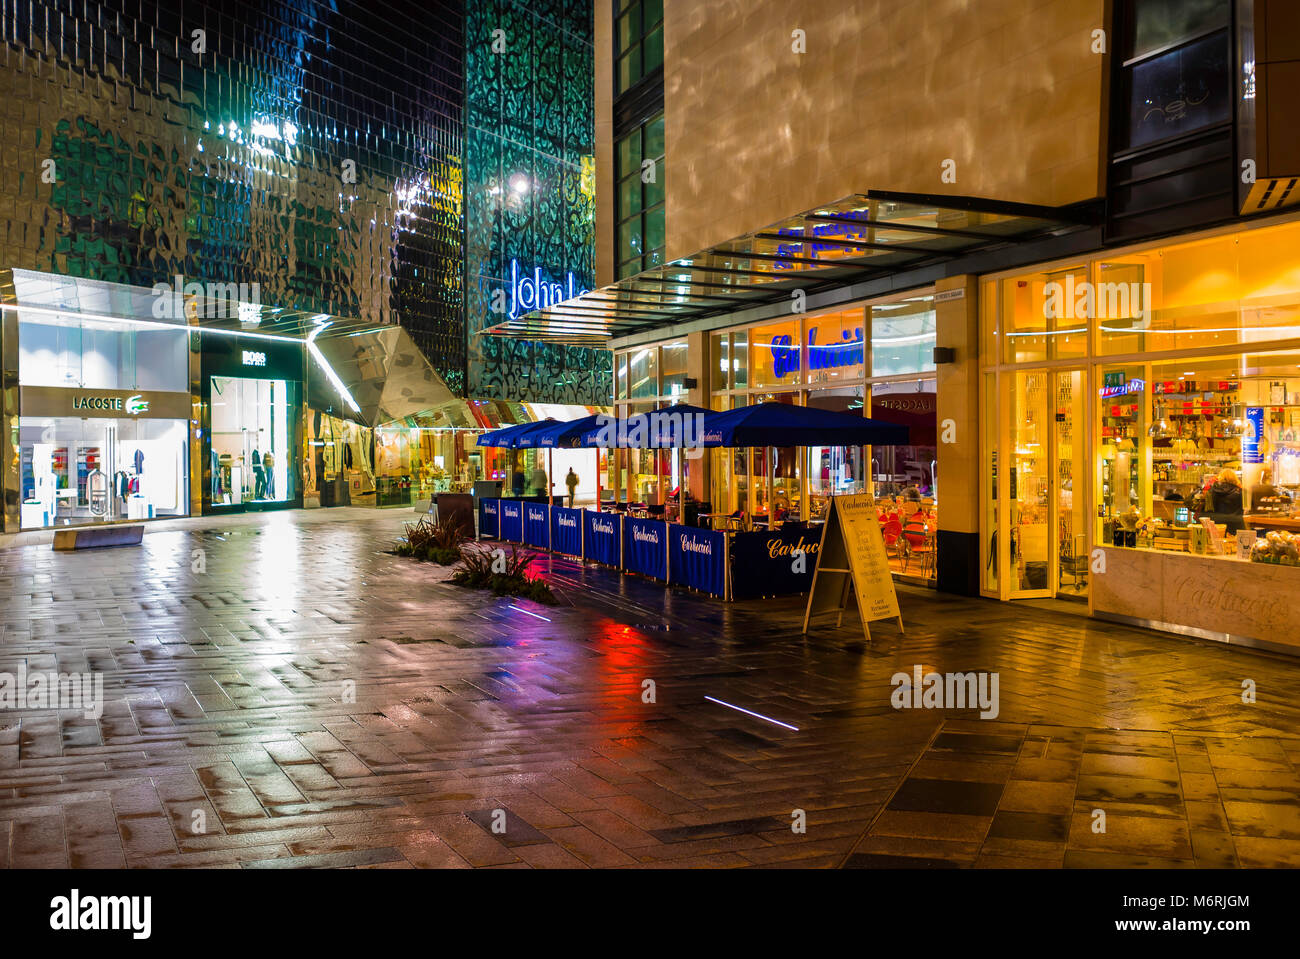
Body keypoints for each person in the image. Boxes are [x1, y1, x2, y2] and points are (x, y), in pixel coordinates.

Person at [1203, 467, 1244, 534]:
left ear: (1220, 477)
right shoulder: (1239, 491)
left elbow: (1210, 508)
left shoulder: (1213, 491)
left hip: (1218, 525)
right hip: (1235, 524)